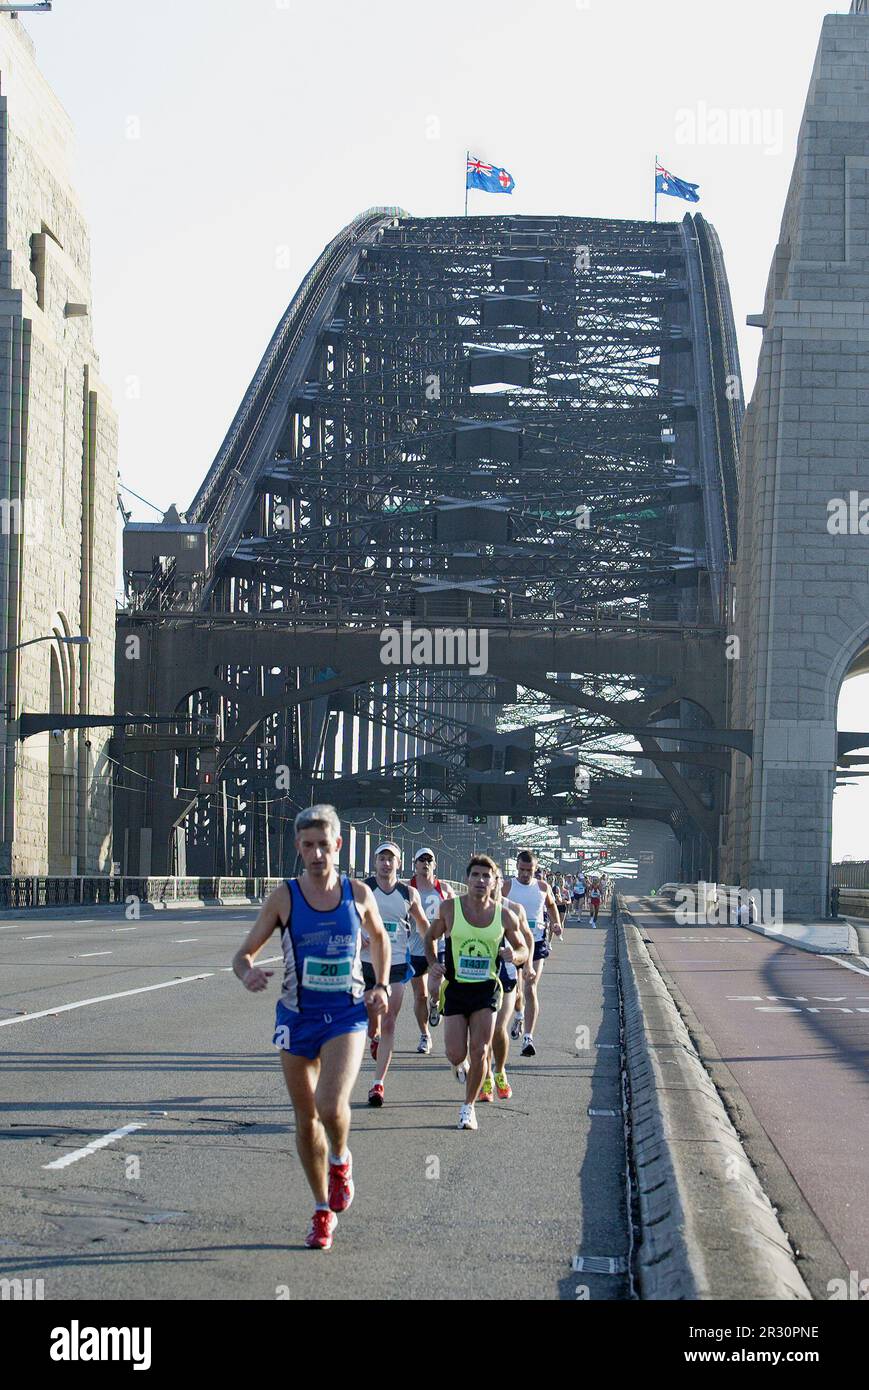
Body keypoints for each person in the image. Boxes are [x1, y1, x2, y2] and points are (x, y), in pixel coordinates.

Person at [232, 804, 390, 1251]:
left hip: (345, 1015)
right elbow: (242, 953)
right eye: (308, 846)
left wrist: (379, 984)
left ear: (337, 845)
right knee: (305, 1121)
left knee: (329, 1104)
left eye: (324, 845)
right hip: (297, 1017)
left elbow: (379, 938)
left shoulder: (357, 894)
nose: (317, 854)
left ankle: (341, 1160)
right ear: (298, 848)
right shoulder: (284, 897)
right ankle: (322, 1209)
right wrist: (246, 973)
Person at [425, 854, 528, 1129]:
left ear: (495, 882)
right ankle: (460, 1066)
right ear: (467, 880)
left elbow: (523, 949)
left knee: (481, 1049)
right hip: (457, 988)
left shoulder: (505, 915)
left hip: (486, 990)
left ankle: (468, 1108)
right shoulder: (450, 909)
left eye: (487, 876)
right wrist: (434, 964)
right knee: (455, 1053)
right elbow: (429, 937)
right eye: (476, 876)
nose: (481, 881)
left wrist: (514, 955)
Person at [362, 841, 430, 1106]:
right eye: (382, 858)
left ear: (399, 864)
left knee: (390, 1020)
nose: (386, 863)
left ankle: (378, 1084)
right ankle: (373, 1036)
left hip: (398, 962)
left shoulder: (408, 893)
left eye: (391, 859)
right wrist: (358, 933)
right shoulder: (364, 889)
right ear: (375, 862)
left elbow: (423, 924)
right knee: (373, 1019)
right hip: (367, 963)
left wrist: (436, 949)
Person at [502, 850, 562, 1057]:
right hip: (513, 945)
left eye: (529, 870)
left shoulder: (543, 887)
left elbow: (552, 906)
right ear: (516, 867)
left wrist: (556, 923)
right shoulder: (508, 887)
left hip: (536, 943)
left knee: (531, 987)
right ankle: (519, 1013)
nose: (525, 874)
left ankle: (528, 1037)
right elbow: (494, 908)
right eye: (522, 870)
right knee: (517, 992)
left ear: (535, 869)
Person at [486, 872, 535, 1102]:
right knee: (481, 1033)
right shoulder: (470, 908)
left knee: (497, 1029)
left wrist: (521, 961)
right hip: (478, 976)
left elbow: (527, 940)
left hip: (506, 975)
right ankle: (485, 1075)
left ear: (499, 882)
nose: (486, 882)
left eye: (491, 877)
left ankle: (499, 1070)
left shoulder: (514, 909)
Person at [408, 848, 454, 1051]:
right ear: (415, 864)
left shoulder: (444, 889)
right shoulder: (407, 888)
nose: (425, 863)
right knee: (420, 995)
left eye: (429, 860)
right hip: (414, 949)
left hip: (440, 948)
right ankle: (424, 1035)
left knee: (435, 989)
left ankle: (436, 1005)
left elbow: (455, 914)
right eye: (421, 860)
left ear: (434, 865)